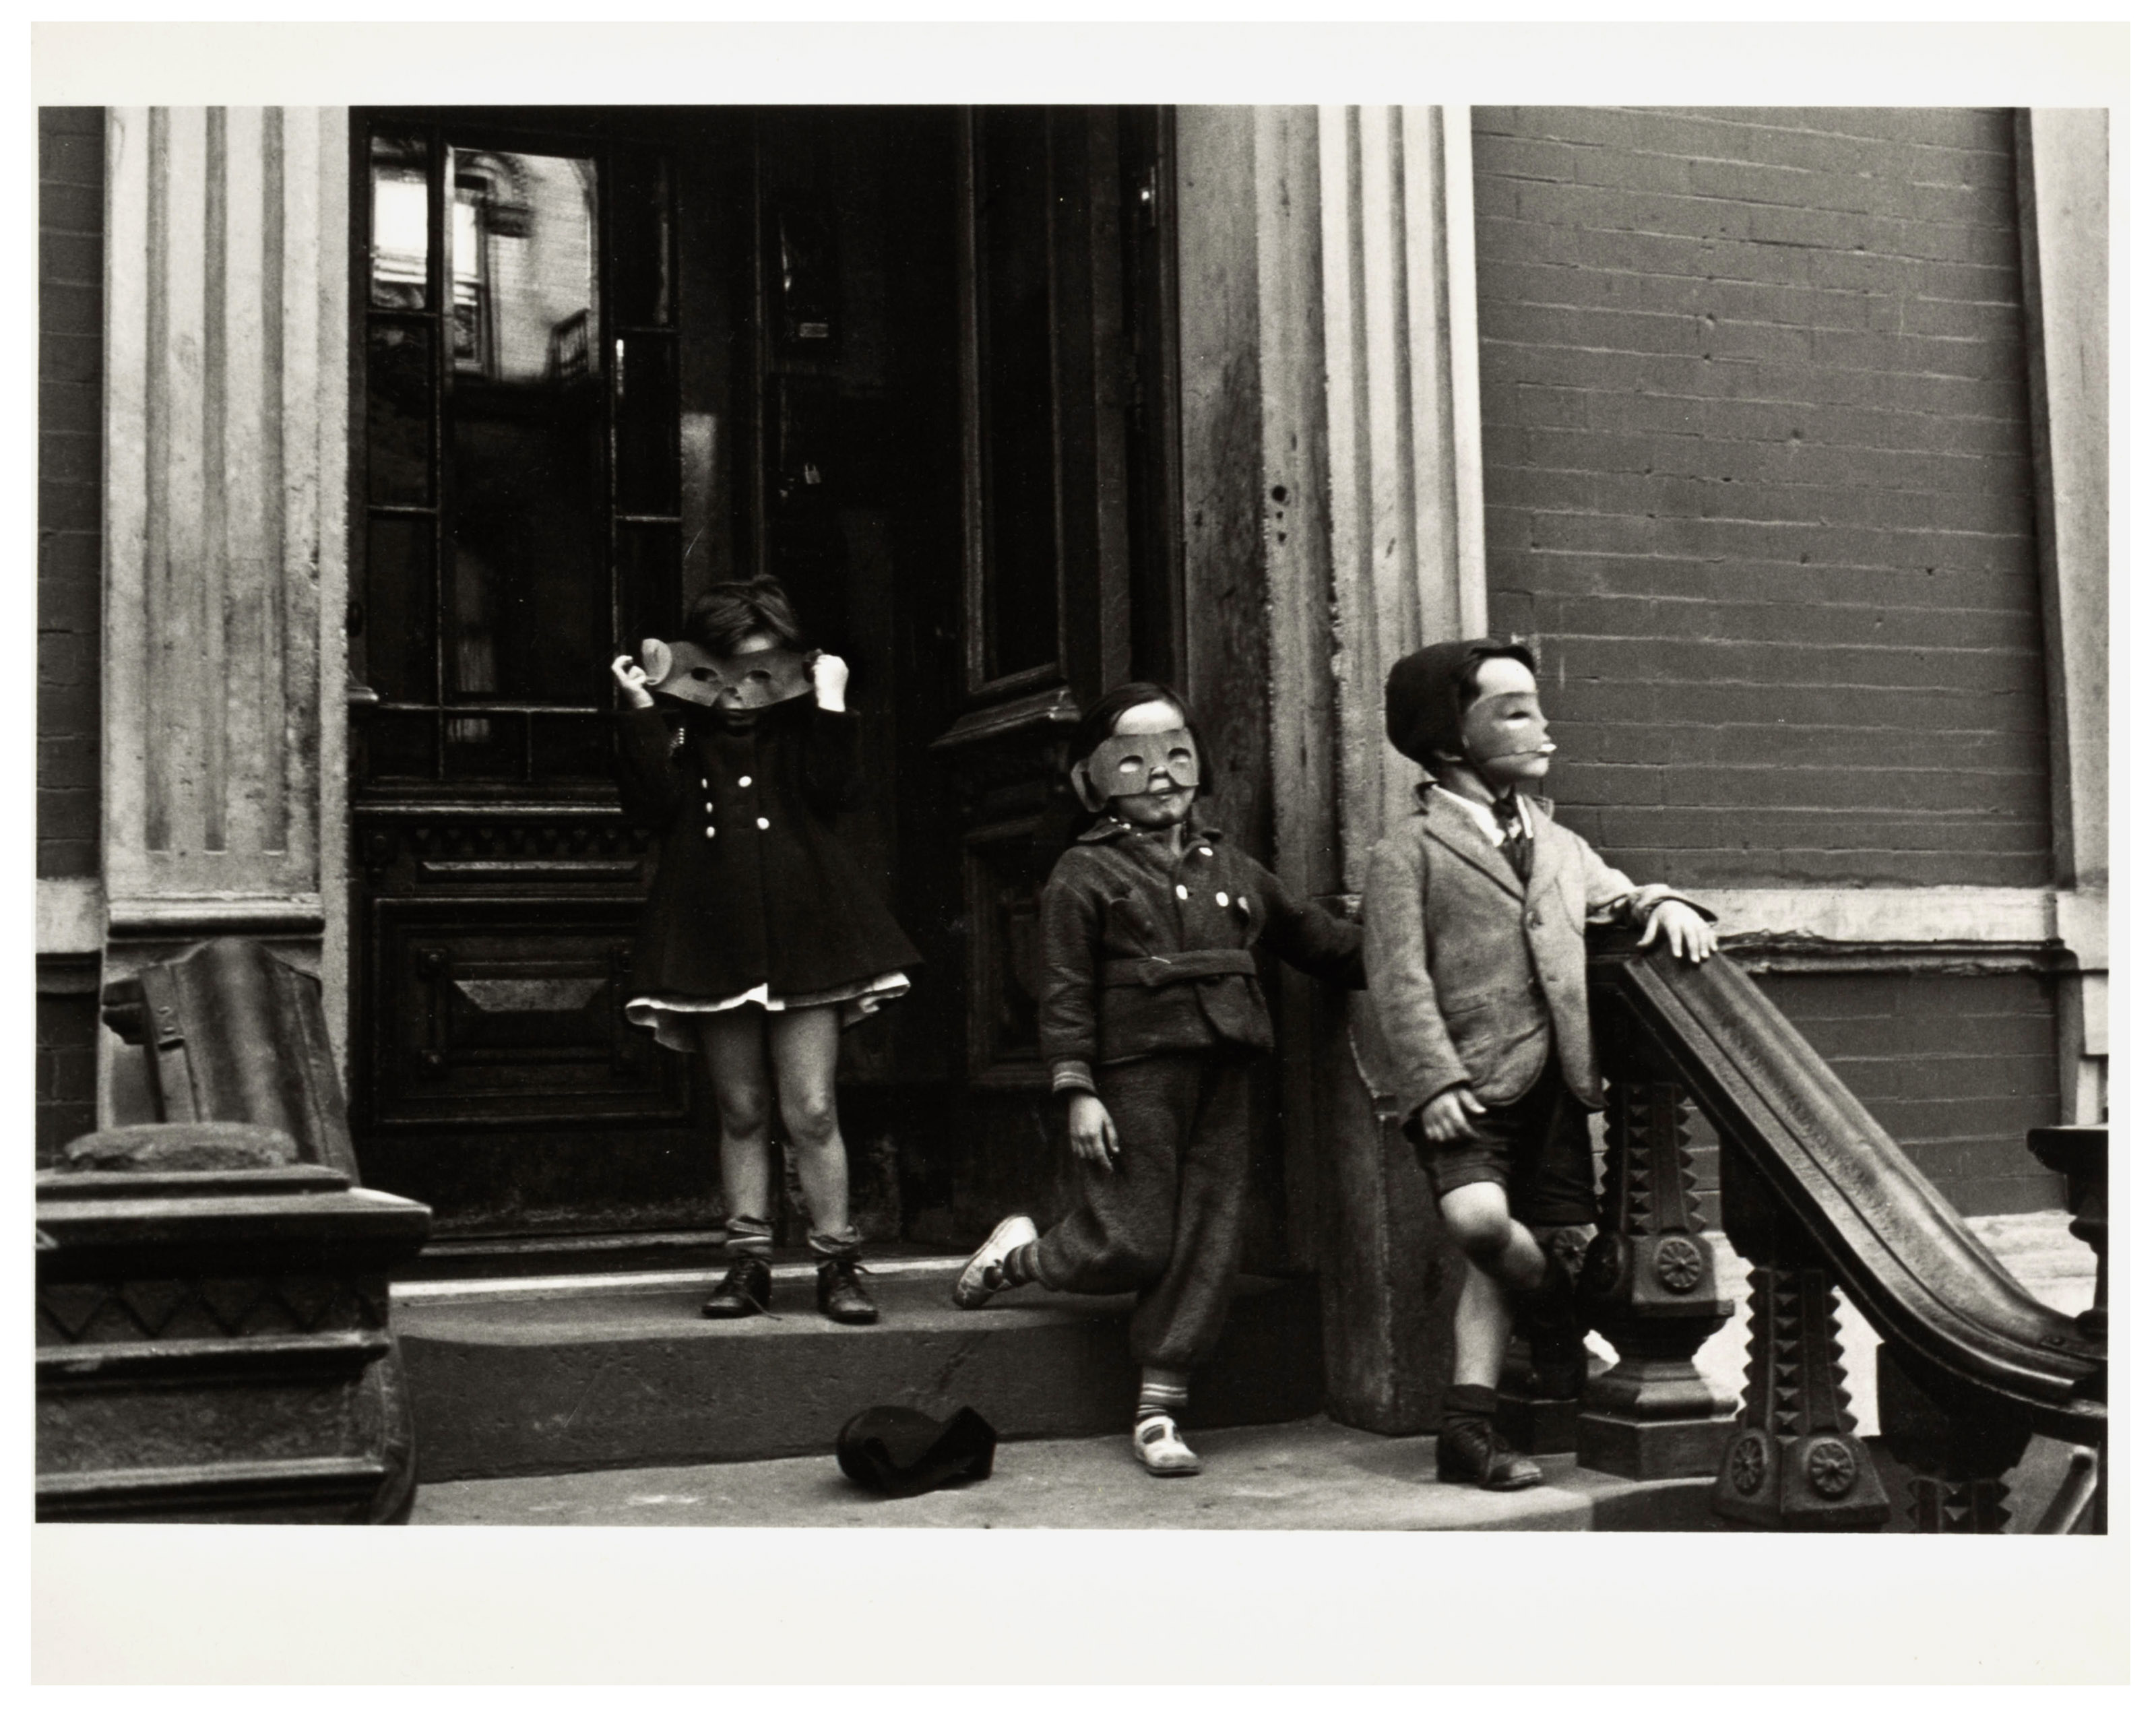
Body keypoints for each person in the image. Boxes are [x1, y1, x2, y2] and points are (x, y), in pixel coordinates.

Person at [950, 683, 1364, 1476]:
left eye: (1175, 754)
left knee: (1208, 1238)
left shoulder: (1231, 867)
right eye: (1133, 761)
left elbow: (1318, 942)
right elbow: (1063, 990)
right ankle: (1023, 1258)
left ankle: (1159, 1409)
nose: (1161, 776)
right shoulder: (1083, 872)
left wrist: (1414, 947)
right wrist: (1076, 1089)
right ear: (1096, 780)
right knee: (1136, 1237)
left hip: (1227, 1069)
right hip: (1135, 1076)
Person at [1362, 639, 1718, 1490]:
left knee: (1542, 1241)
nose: (1540, 723)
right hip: (1467, 1087)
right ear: (1452, 742)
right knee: (1481, 1226)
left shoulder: (1558, 842)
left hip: (1556, 1084)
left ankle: (1467, 1429)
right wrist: (1432, 1081)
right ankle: (1556, 1322)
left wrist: (1659, 900)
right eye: (1514, 710)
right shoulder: (1405, 851)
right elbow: (1395, 978)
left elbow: (1610, 894)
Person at [611, 575, 920, 1326]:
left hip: (805, 931)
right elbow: (651, 806)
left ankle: (836, 1264)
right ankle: (747, 1263)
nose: (740, 691)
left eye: (759, 668)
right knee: (742, 1107)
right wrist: (643, 709)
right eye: (723, 668)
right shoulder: (684, 728)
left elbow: (836, 790)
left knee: (811, 1107)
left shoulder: (802, 724)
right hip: (712, 935)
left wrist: (831, 701)